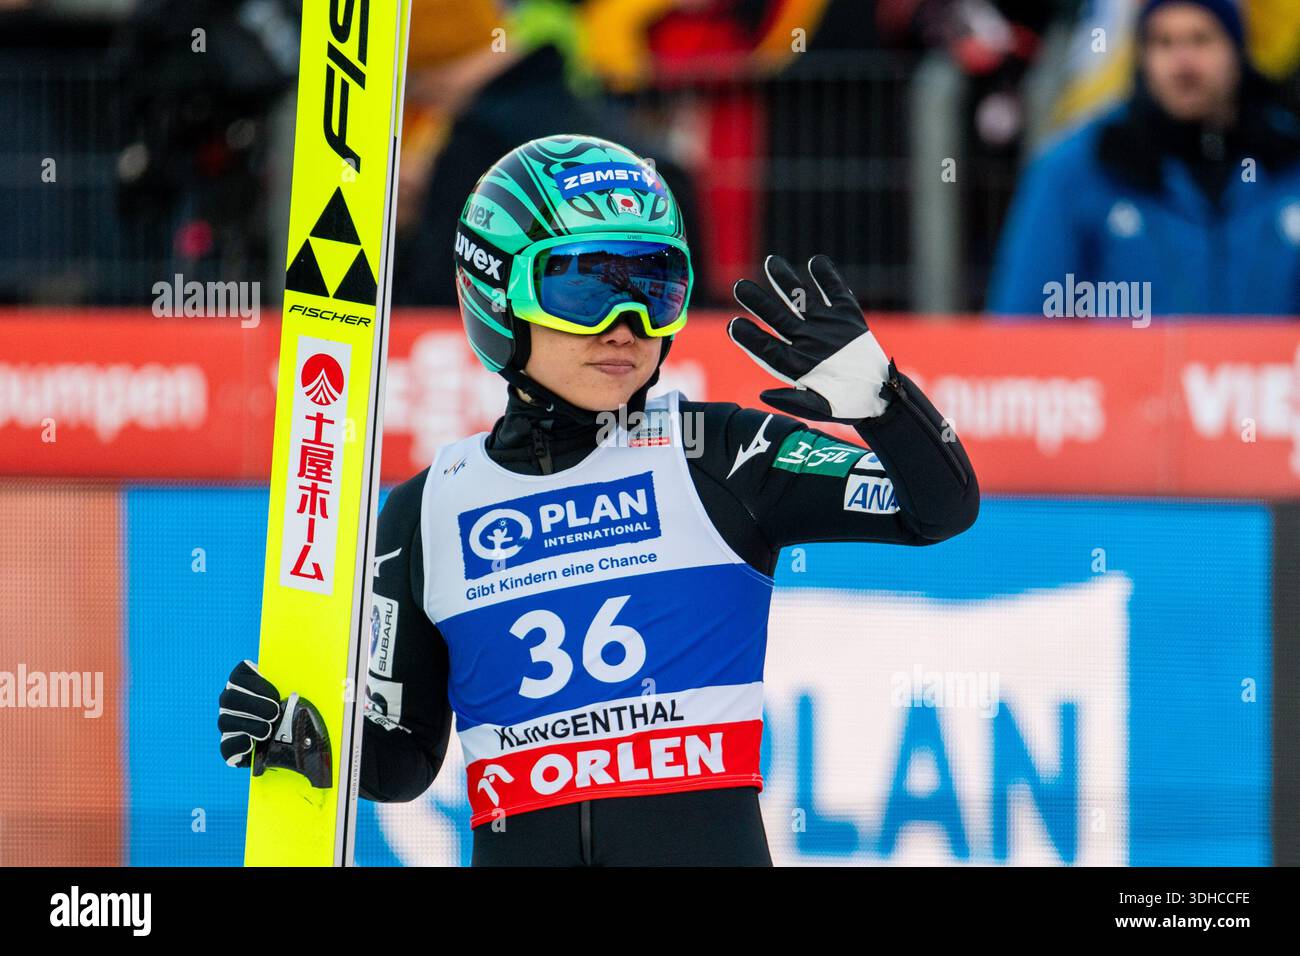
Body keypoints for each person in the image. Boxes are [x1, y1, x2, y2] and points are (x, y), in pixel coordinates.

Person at [220, 134, 979, 866]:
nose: (626, 328)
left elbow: (939, 508)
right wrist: (307, 742)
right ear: (497, 294)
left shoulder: (721, 455)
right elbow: (404, 760)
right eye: (585, 288)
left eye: (654, 288)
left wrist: (883, 402)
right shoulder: (426, 514)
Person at [987, 0, 1300, 318]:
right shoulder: (1078, 167)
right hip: (1121, 368)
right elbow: (1024, 325)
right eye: (1163, 42)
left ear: (1237, 49)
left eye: (1201, 39)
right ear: (1141, 55)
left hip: (1274, 368)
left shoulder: (1288, 161)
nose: (1183, 63)